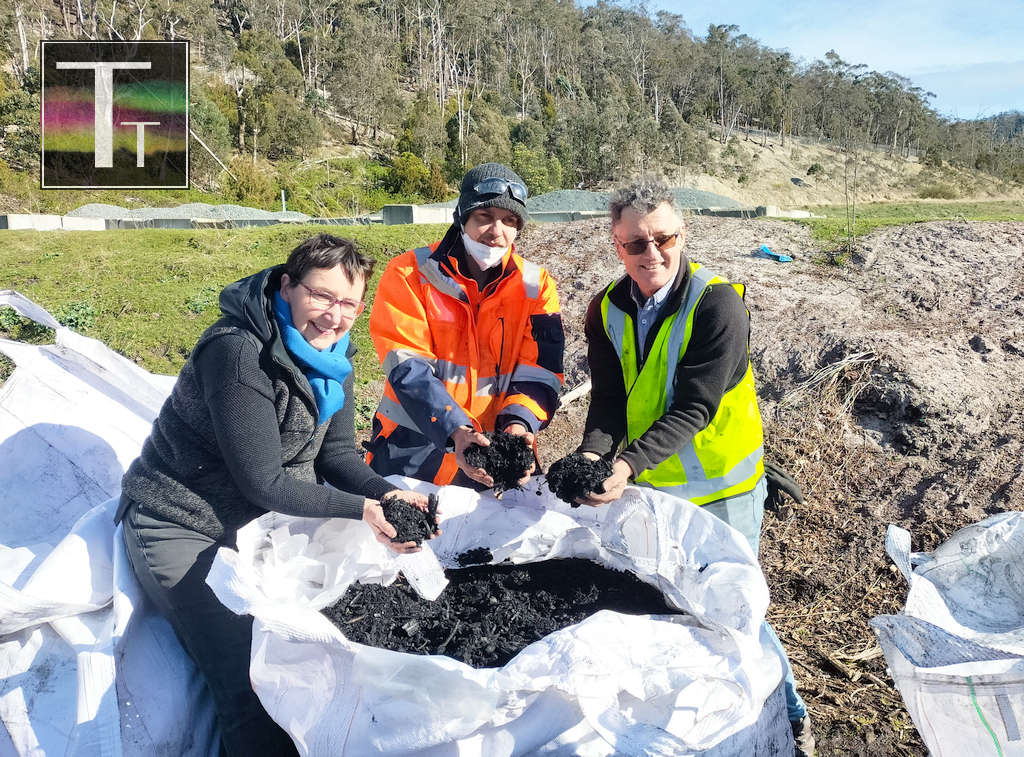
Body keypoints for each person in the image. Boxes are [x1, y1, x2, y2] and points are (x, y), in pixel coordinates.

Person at [116, 234, 434, 756]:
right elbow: (262, 481)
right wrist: (363, 510)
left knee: (303, 660)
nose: (334, 316)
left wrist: (391, 496)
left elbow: (337, 459)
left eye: (349, 303)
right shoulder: (238, 353)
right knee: (246, 676)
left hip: (259, 524)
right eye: (322, 296)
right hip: (182, 522)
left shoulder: (332, 358)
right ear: (287, 287)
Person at [573, 177, 815, 757]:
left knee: (736, 615)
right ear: (616, 244)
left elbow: (696, 407)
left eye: (664, 238)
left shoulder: (718, 304)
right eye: (636, 243)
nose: (652, 253)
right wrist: (590, 455)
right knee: (672, 607)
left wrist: (624, 465)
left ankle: (788, 719)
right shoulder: (606, 309)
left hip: (722, 491)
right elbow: (608, 399)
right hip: (655, 488)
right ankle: (696, 724)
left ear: (682, 235)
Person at [365, 162, 565, 488]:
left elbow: (541, 369)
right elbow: (407, 366)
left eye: (510, 220)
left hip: (496, 457)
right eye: (484, 217)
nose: (497, 231)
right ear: (462, 218)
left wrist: (519, 425)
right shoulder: (409, 273)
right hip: (413, 453)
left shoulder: (536, 285)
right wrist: (455, 430)